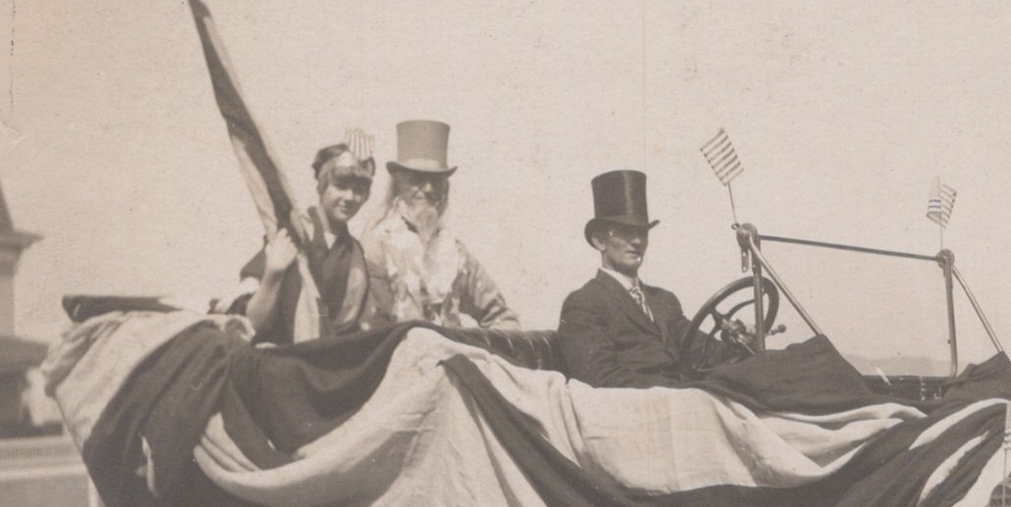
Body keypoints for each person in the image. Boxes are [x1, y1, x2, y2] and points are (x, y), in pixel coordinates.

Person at [359, 120, 520, 331]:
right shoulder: (377, 246)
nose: (428, 189)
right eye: (417, 179)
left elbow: (501, 316)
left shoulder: (454, 252)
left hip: (451, 349)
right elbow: (369, 327)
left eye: (436, 180)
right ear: (399, 185)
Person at [230, 131, 375, 345]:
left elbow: (360, 327)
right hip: (279, 353)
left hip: (329, 357)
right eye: (341, 187)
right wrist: (273, 274)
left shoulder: (355, 255)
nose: (349, 197)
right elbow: (252, 323)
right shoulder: (290, 235)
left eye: (359, 190)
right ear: (322, 186)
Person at [558, 170, 691, 388]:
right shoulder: (584, 303)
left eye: (643, 232)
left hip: (683, 397)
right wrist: (680, 391)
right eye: (626, 231)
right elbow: (600, 378)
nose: (638, 241)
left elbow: (702, 349)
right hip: (638, 404)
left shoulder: (664, 300)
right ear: (600, 241)